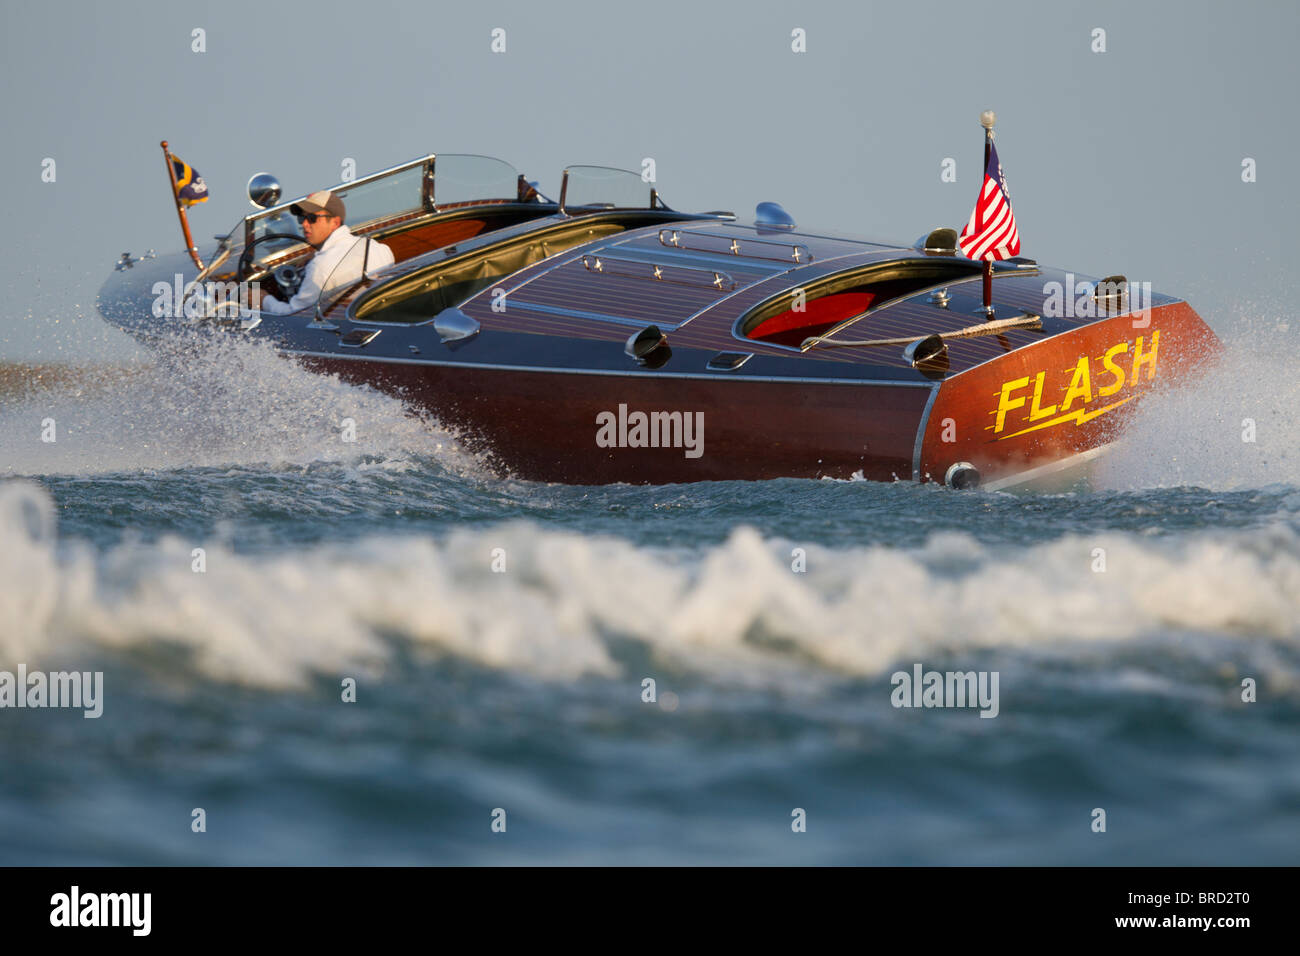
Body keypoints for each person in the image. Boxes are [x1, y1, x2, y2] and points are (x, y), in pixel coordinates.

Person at [259, 190, 395, 314]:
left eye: (312, 218)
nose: (304, 224)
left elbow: (293, 313)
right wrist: (317, 253)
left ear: (335, 223)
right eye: (302, 218)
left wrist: (264, 300)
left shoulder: (319, 267)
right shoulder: (379, 248)